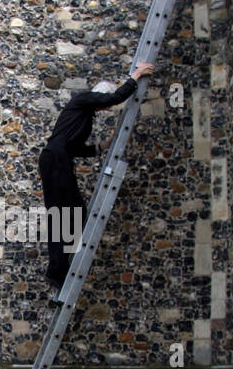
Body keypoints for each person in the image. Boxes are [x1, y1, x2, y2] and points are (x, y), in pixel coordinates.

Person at [38, 60, 155, 287]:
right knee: (62, 214)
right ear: (98, 96)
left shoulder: (84, 114)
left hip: (60, 159)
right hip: (55, 159)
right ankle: (56, 271)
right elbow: (113, 98)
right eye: (103, 105)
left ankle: (62, 267)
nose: (105, 109)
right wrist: (136, 76)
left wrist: (101, 146)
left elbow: (75, 147)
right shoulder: (82, 100)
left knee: (76, 213)